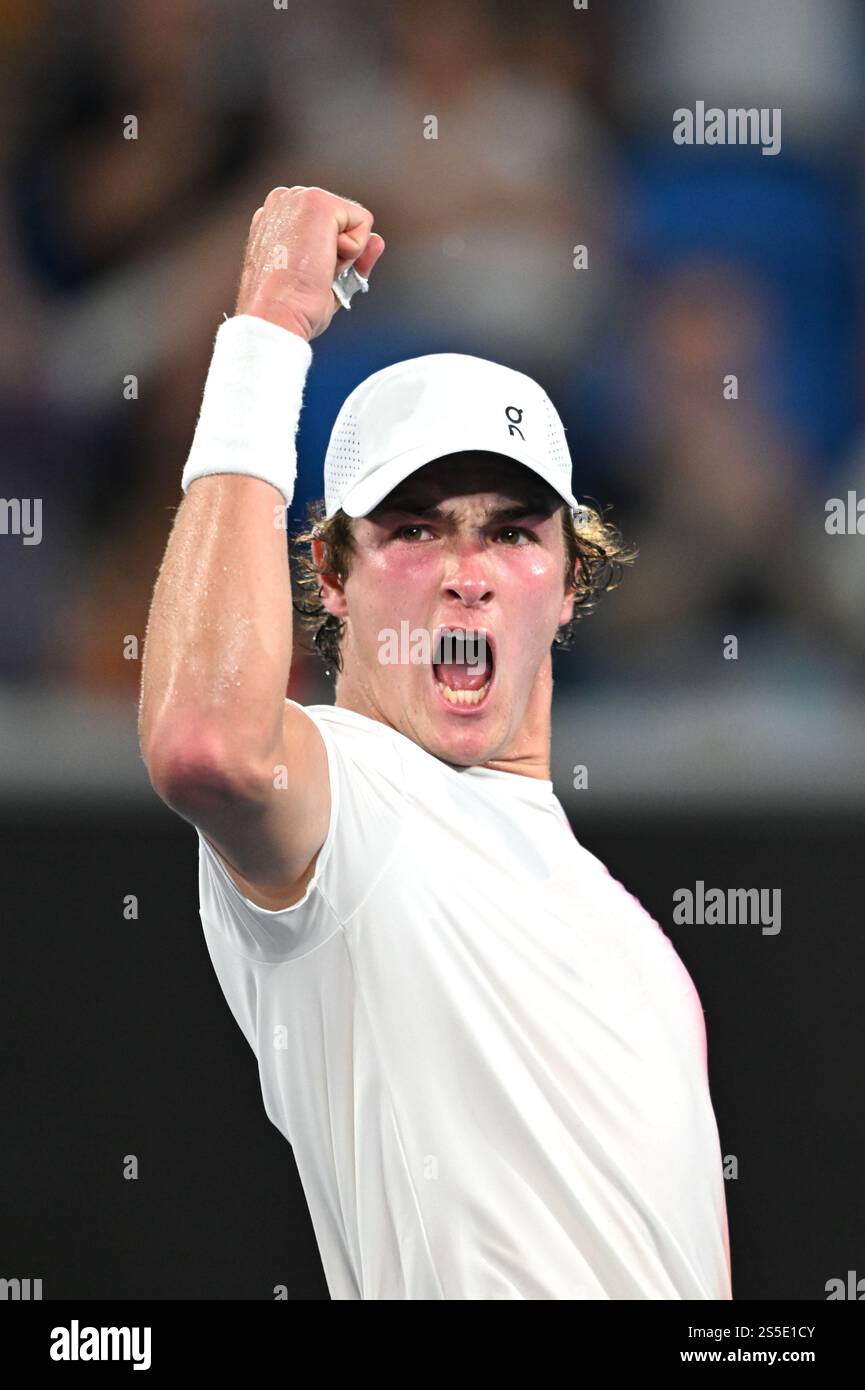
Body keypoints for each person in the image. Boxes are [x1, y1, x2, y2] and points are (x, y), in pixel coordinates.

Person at [139, 185, 732, 1300]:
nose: (467, 569)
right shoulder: (347, 796)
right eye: (414, 530)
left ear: (568, 584)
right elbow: (203, 742)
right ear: (330, 576)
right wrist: (266, 327)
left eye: (511, 532)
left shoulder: (633, 940)